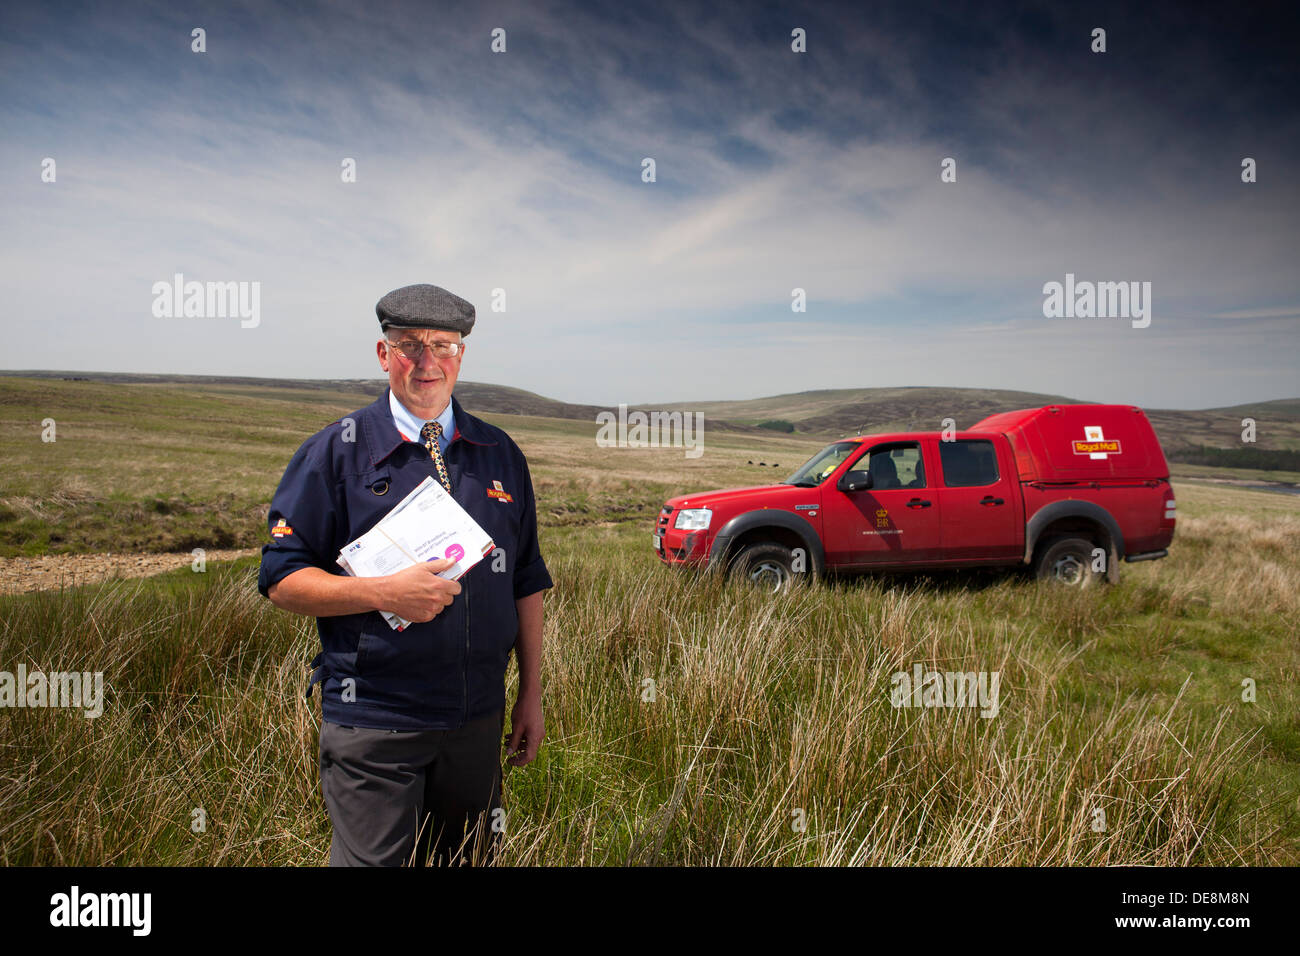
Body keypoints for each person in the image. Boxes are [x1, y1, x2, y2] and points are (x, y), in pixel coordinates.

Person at [257, 283, 552, 866]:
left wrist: (531, 694)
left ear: (461, 355)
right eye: (409, 345)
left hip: (476, 719)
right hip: (375, 721)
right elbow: (281, 579)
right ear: (382, 353)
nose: (427, 362)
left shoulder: (499, 453)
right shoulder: (335, 452)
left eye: (443, 345)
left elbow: (526, 579)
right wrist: (383, 593)